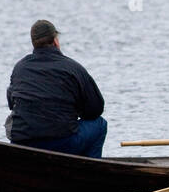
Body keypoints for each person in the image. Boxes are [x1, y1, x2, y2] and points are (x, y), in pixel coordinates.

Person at [6, 19, 108, 158]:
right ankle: (90, 171)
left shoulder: (19, 68)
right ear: (55, 41)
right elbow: (95, 109)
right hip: (62, 143)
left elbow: (12, 103)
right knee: (99, 124)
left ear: (33, 43)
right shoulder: (73, 68)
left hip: (22, 143)